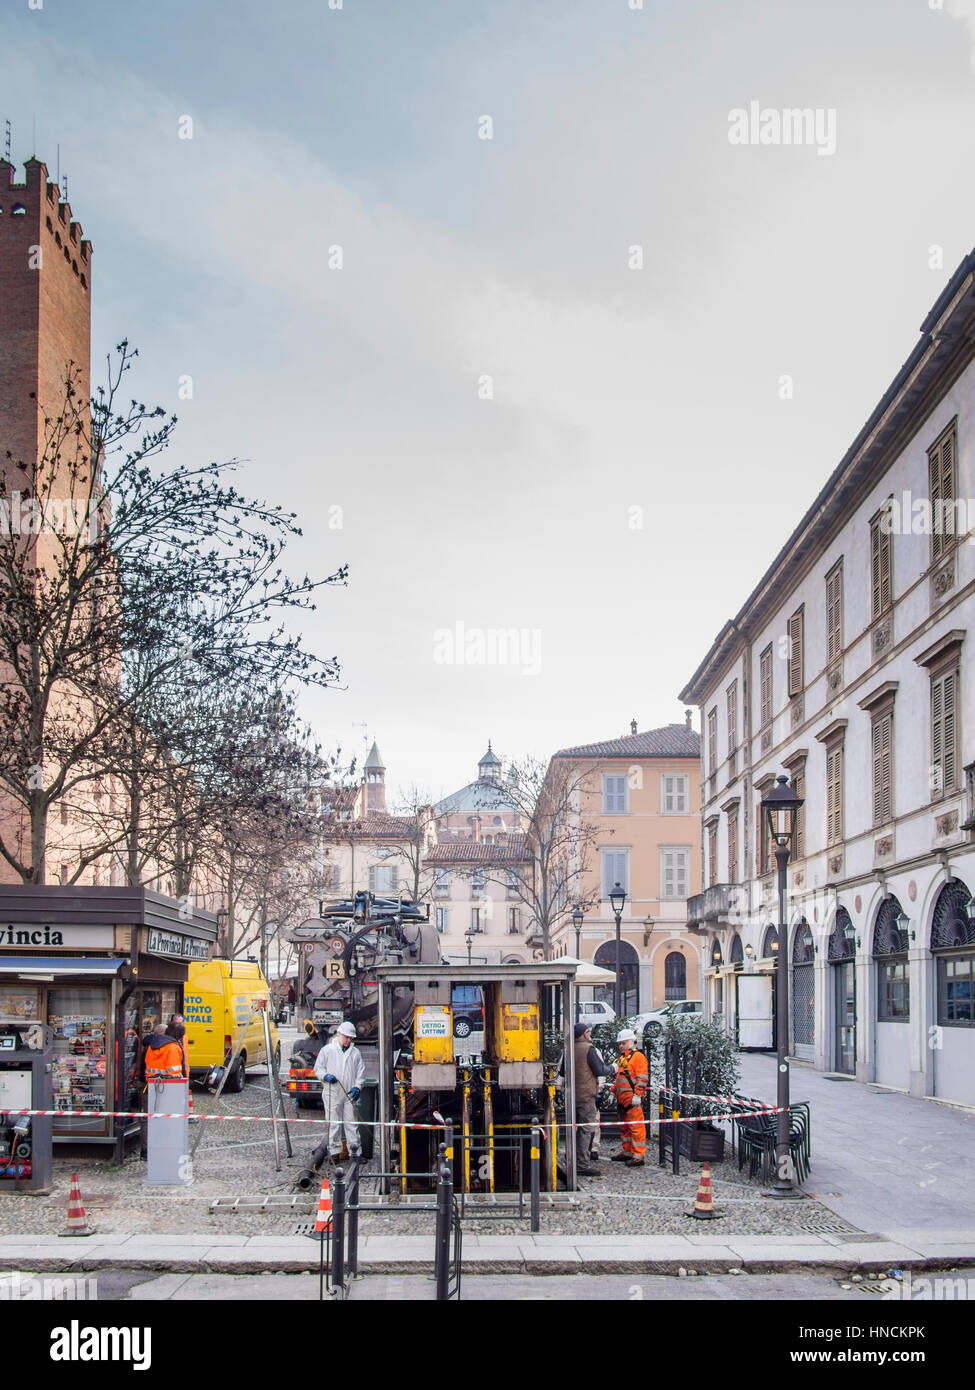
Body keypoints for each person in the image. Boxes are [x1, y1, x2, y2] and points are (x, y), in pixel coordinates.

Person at [313, 1019, 365, 1163]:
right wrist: (325, 1076)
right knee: (333, 1123)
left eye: (350, 1038)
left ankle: (355, 1153)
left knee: (352, 1124)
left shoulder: (355, 1053)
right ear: (339, 1034)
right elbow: (318, 1069)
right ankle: (334, 1153)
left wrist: (357, 1087)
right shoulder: (327, 1050)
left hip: (349, 1094)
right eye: (346, 1037)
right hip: (332, 1092)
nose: (348, 1040)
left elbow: (361, 1073)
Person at [573, 1022, 613, 1177]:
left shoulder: (569, 1048)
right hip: (586, 1096)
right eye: (589, 1032)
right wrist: (613, 1068)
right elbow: (600, 1069)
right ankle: (582, 1164)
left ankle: (572, 1158)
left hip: (572, 1096)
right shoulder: (589, 1049)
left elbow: (562, 1070)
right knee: (585, 1129)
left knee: (573, 1128)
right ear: (585, 1034)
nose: (590, 1035)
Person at [610, 1027, 649, 1167]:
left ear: (631, 1042)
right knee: (625, 1128)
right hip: (623, 1100)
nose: (621, 1046)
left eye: (623, 1043)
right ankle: (627, 1152)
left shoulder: (638, 1057)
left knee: (636, 1128)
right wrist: (613, 1091)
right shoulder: (623, 1058)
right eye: (619, 1043)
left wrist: (638, 1095)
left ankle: (638, 1155)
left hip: (632, 1100)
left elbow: (642, 1078)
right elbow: (619, 1077)